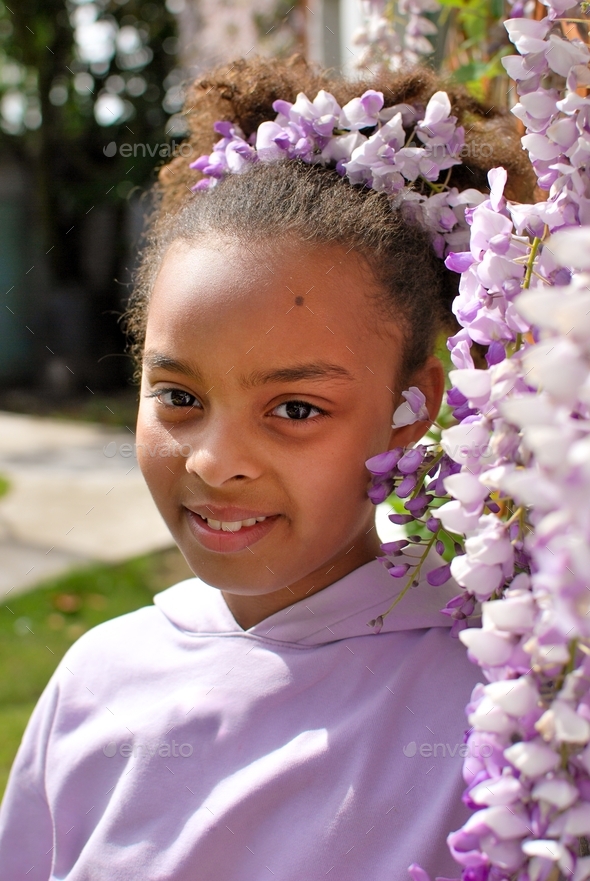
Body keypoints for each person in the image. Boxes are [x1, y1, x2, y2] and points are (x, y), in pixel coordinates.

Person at [0, 55, 534, 881]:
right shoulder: (95, 683)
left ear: (412, 404)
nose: (214, 462)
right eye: (178, 396)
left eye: (294, 410)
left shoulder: (501, 702)